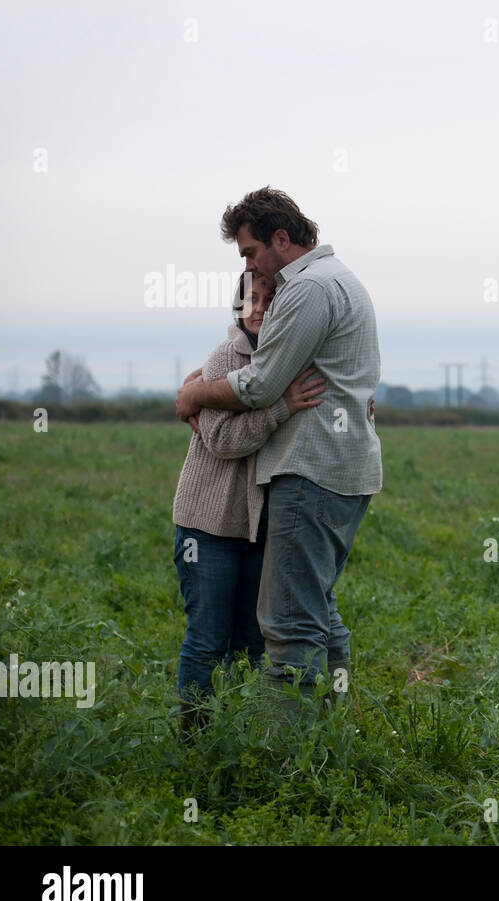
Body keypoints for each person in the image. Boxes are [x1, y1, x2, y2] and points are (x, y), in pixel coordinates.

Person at [175, 187, 382, 701]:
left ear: (281, 239)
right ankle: (330, 728)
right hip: (337, 472)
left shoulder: (309, 288)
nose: (248, 265)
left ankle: (289, 760)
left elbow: (261, 386)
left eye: (249, 252)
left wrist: (193, 393)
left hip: (311, 472)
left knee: (289, 624)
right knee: (317, 609)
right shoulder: (342, 281)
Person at [172, 271, 324, 733]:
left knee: (251, 642)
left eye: (268, 299)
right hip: (209, 526)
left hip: (263, 527)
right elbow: (219, 438)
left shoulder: (296, 361)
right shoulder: (224, 359)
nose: (257, 309)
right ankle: (196, 739)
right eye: (248, 300)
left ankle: (237, 733)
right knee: (207, 639)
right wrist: (280, 409)